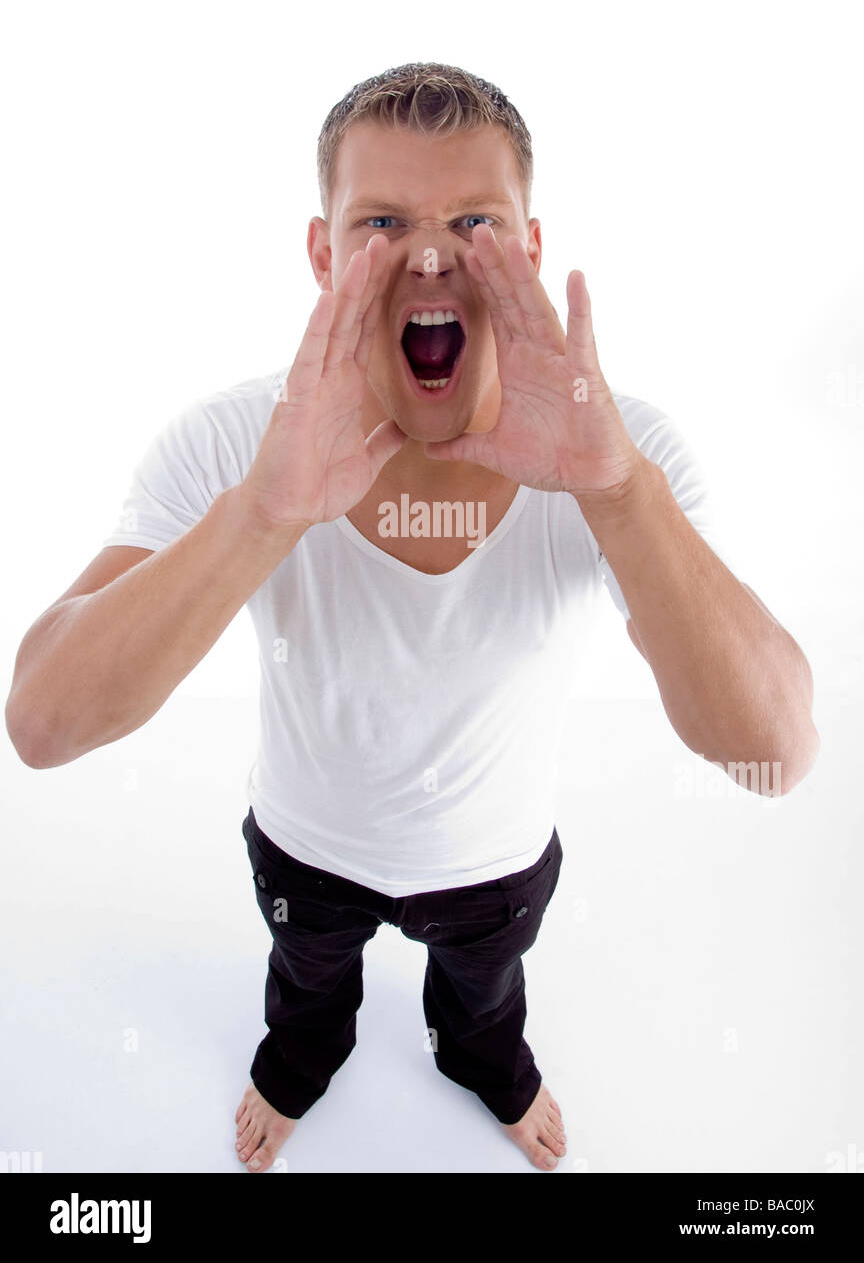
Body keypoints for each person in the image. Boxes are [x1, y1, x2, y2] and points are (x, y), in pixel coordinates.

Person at [5, 62, 819, 1174]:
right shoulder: (233, 440)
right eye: (383, 221)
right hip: (304, 850)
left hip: (497, 868)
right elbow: (42, 724)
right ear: (324, 254)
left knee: (485, 1007)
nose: (431, 258)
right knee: (305, 992)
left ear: (529, 249)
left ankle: (487, 1060)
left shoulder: (624, 453)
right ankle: (301, 1062)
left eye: (474, 221)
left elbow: (773, 748)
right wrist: (263, 514)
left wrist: (617, 497)